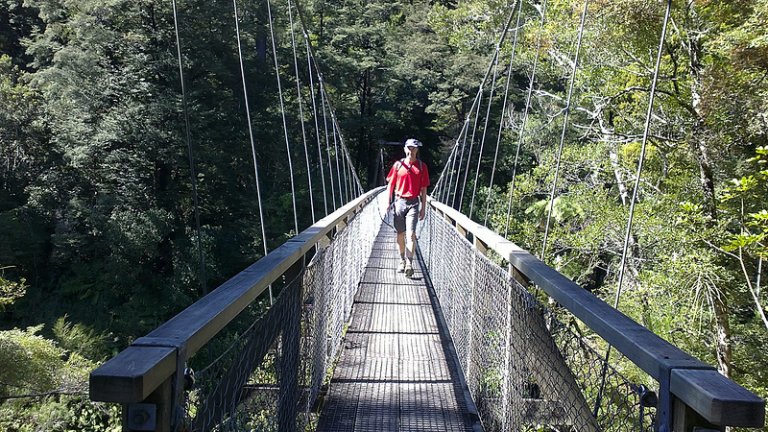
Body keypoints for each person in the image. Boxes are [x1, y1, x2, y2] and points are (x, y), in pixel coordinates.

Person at [386, 138, 430, 278]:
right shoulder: (397, 166)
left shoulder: (422, 167)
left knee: (410, 234)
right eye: (410, 148)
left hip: (414, 203)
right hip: (399, 202)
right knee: (400, 234)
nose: (412, 150)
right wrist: (388, 202)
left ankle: (410, 264)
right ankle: (401, 260)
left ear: (417, 150)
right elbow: (390, 185)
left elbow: (423, 189)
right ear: (405, 149)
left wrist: (423, 207)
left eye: (414, 148)